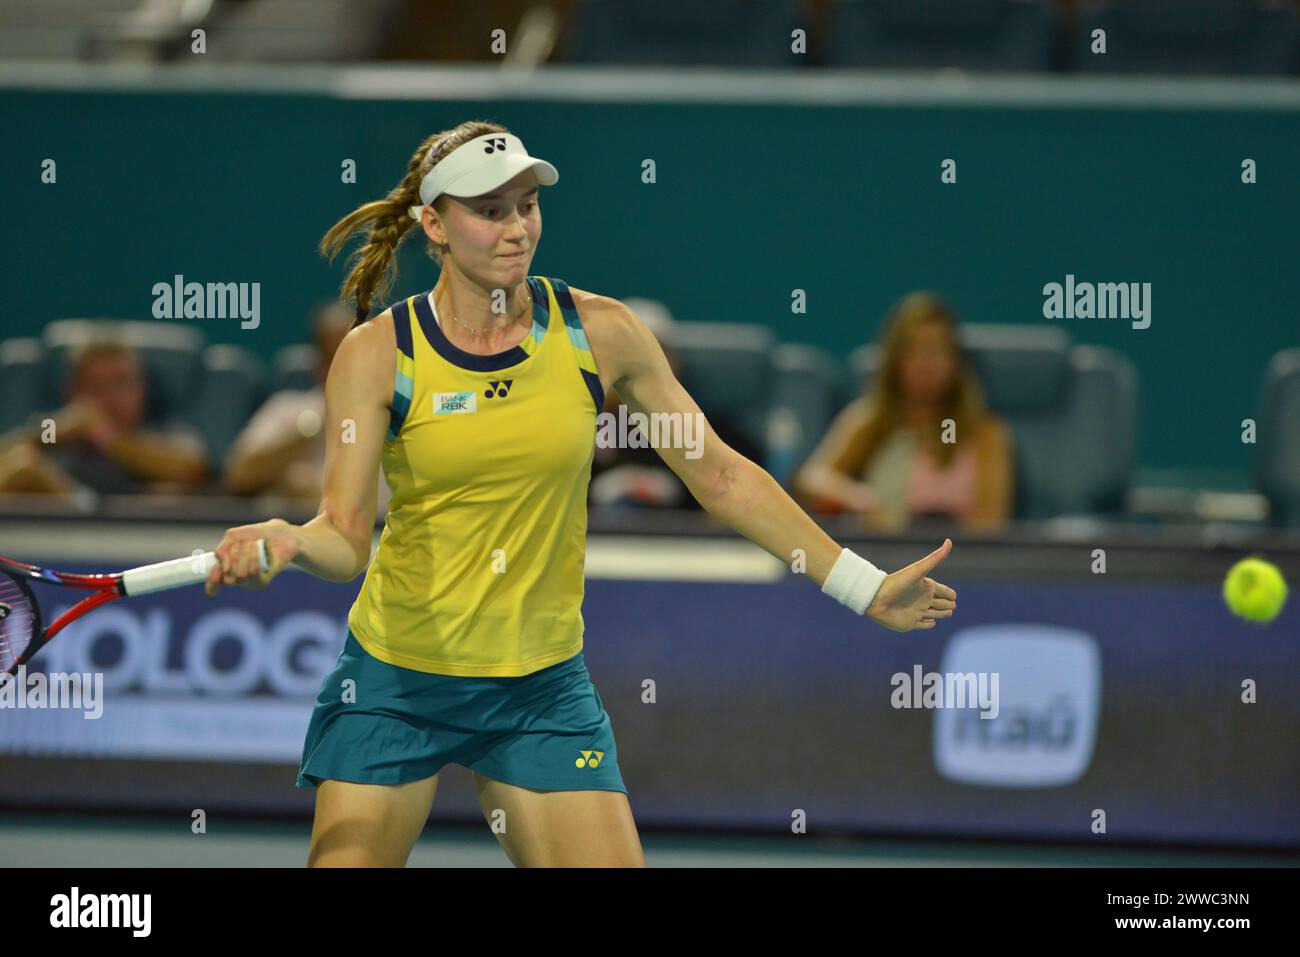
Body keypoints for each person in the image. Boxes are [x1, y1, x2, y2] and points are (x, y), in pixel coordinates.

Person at [202, 121, 957, 868]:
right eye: (489, 210)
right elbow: (345, 537)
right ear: (434, 223)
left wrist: (861, 584)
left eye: (526, 205)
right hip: (396, 679)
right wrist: (294, 540)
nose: (516, 228)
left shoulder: (600, 333)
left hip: (538, 690)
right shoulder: (377, 355)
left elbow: (720, 474)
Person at [793, 292, 1014, 533]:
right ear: (895, 360)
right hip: (886, 558)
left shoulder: (985, 432)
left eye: (937, 350)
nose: (927, 364)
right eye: (915, 350)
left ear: (956, 361)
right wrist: (859, 499)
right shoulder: (870, 420)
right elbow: (812, 479)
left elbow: (991, 524)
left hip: (961, 561)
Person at [589, 297, 764, 509]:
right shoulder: (580, 435)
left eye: (652, 355)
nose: (634, 370)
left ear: (673, 361)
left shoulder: (712, 432)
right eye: (621, 357)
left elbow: (745, 487)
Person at [224, 302, 390, 512]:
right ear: (318, 362)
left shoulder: (397, 415)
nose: (347, 364)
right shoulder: (286, 408)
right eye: (335, 355)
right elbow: (239, 475)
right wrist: (312, 426)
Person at [0, 338, 209, 502]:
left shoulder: (166, 430)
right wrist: (58, 430)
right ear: (72, 392)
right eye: (95, 386)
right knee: (23, 466)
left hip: (132, 539)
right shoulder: (54, 431)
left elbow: (191, 469)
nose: (109, 396)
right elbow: (14, 455)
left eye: (121, 383)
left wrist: (108, 438)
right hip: (58, 538)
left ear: (142, 389)